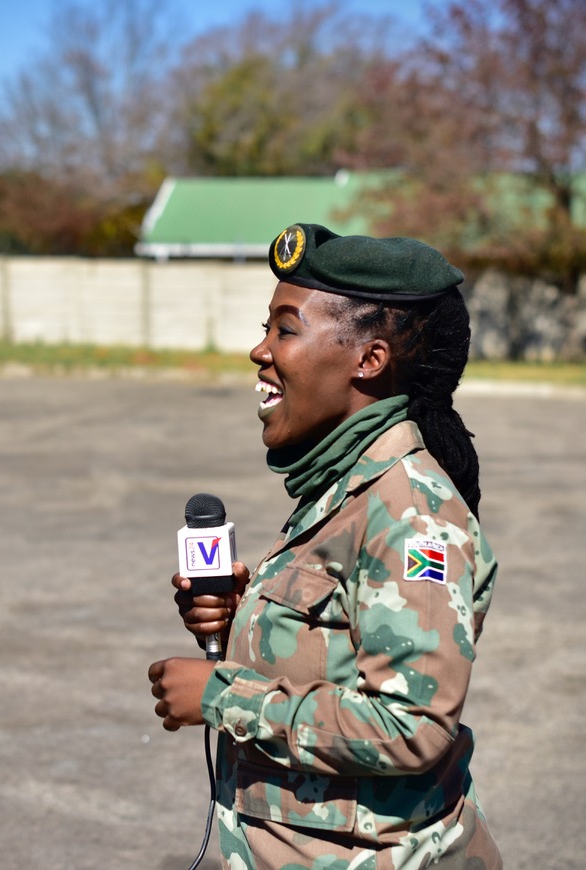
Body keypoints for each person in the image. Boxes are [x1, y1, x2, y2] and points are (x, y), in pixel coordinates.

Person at [148, 224, 501, 869]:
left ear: (369, 360)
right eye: (267, 327)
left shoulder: (412, 512)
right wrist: (247, 620)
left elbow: (412, 726)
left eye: (285, 330)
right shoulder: (346, 480)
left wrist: (222, 695)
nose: (260, 349)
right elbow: (340, 640)